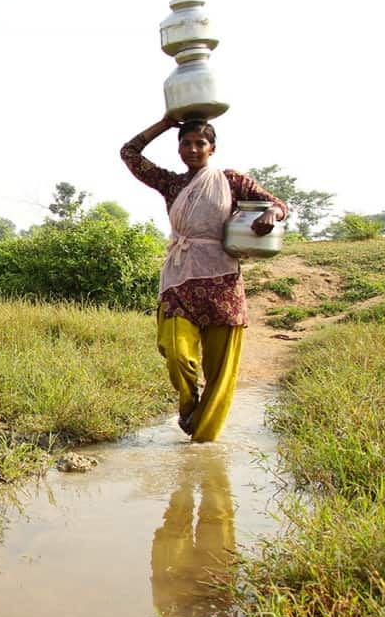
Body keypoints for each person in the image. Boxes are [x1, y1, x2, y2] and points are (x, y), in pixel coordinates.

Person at [121, 116, 287, 442]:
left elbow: (278, 204)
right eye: (186, 142)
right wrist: (166, 122)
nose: (193, 149)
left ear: (213, 149)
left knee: (220, 371)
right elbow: (130, 152)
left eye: (201, 143)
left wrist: (272, 213)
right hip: (180, 278)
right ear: (179, 148)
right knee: (175, 351)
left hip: (222, 281)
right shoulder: (172, 184)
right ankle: (188, 407)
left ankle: (203, 440)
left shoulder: (230, 180)